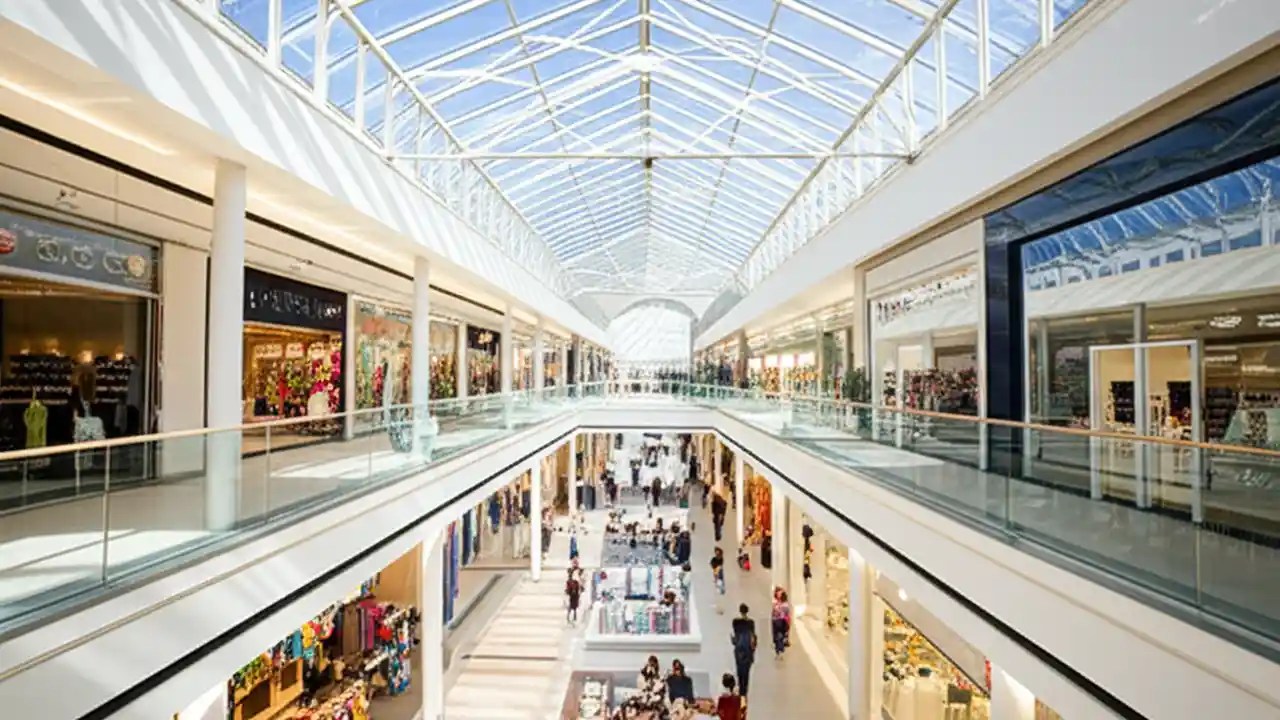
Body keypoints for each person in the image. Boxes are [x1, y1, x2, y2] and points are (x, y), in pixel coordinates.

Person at [730, 604, 756, 697]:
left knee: (739, 672)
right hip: (747, 651)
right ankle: (744, 693)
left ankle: (741, 693)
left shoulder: (736, 622)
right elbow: (753, 638)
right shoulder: (751, 623)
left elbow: (734, 638)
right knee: (746, 674)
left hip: (739, 650)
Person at [771, 590, 792, 657]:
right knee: (778, 636)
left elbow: (787, 615)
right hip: (777, 621)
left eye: (779, 594)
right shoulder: (777, 604)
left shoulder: (784, 605)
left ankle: (779, 648)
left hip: (781, 622)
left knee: (779, 636)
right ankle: (779, 648)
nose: (778, 595)